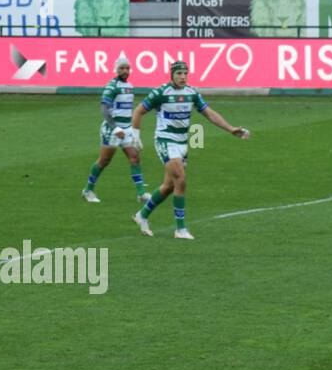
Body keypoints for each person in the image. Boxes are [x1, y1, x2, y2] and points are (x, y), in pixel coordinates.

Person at [130, 61, 249, 240]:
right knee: (181, 180)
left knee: (169, 186)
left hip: (182, 142)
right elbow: (138, 111)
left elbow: (209, 113)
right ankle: (181, 229)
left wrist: (230, 129)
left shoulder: (191, 93)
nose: (183, 76)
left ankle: (142, 215)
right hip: (165, 140)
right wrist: (135, 136)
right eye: (179, 73)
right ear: (172, 75)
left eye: (185, 73)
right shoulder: (161, 92)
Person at [82, 57, 149, 205]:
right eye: (122, 68)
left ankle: (141, 194)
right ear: (116, 70)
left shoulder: (129, 86)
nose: (125, 71)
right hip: (112, 130)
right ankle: (88, 190)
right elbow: (104, 109)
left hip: (126, 129)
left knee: (135, 157)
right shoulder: (112, 86)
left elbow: (126, 111)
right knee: (104, 161)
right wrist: (115, 127)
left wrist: (131, 130)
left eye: (127, 68)